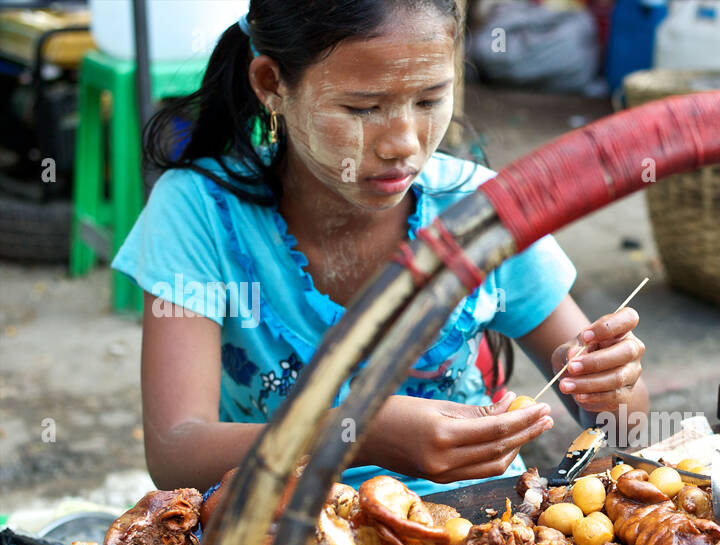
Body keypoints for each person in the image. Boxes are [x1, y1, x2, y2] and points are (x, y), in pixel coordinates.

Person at [113, 0, 649, 498]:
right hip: (271, 544)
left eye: (430, 100)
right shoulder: (200, 211)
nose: (403, 144)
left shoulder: (480, 213)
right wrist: (356, 433)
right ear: (271, 83)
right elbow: (176, 451)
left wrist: (609, 388)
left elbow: (628, 430)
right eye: (363, 107)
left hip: (479, 539)